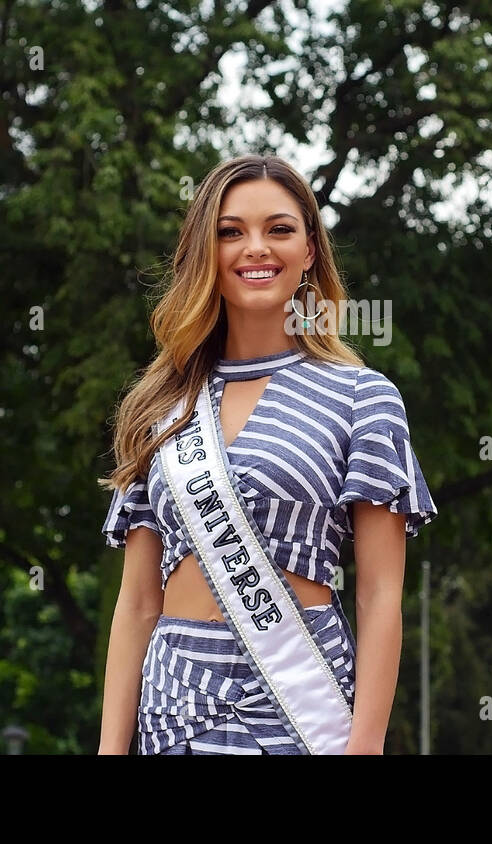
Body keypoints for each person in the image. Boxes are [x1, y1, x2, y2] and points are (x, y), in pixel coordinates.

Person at [96, 154, 436, 755]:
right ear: (206, 252)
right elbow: (139, 600)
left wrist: (366, 745)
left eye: (279, 229)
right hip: (175, 705)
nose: (256, 248)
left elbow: (380, 594)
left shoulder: (361, 396)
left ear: (309, 251)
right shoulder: (161, 406)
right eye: (231, 232)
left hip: (303, 708)